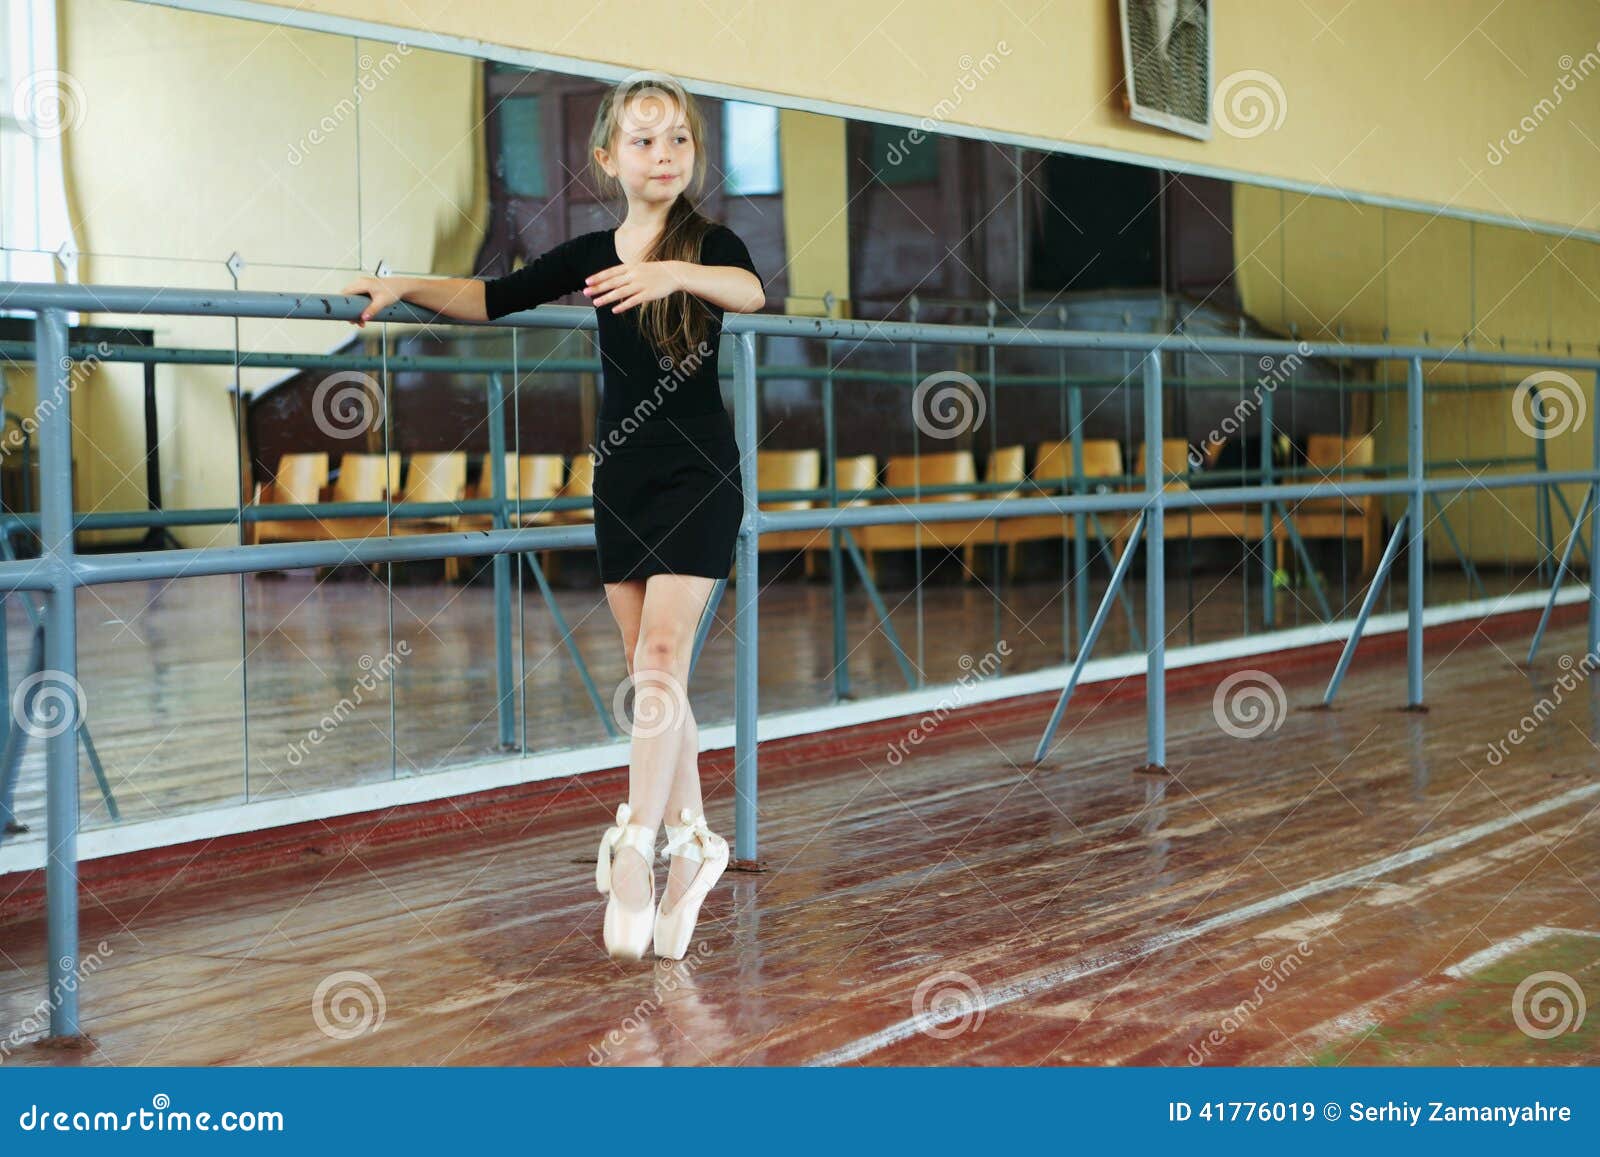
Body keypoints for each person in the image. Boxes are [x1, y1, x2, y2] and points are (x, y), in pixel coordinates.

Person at [340, 72, 765, 962]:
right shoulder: (591, 252)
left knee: (660, 655)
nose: (663, 155)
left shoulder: (710, 243)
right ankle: (697, 844)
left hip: (698, 473)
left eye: (679, 139)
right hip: (621, 476)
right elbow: (494, 298)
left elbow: (749, 292)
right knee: (656, 679)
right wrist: (404, 286)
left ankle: (636, 848)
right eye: (643, 142)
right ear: (608, 157)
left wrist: (669, 272)